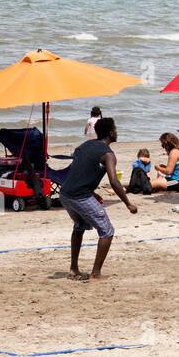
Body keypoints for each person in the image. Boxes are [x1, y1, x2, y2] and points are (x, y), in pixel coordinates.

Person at [59, 116, 137, 281]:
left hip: (65, 193)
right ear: (110, 133)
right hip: (79, 196)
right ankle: (95, 274)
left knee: (79, 226)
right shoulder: (108, 154)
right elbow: (114, 181)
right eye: (115, 129)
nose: (117, 132)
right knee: (107, 231)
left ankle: (73, 269)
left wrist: (93, 193)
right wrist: (128, 203)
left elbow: (77, 171)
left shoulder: (84, 146)